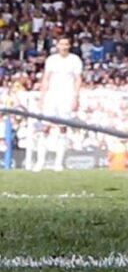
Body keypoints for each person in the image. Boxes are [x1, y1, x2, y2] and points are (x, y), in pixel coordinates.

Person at [34, 35, 83, 171]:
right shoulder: (51, 60)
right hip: (52, 95)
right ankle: (40, 162)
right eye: (61, 44)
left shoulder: (75, 60)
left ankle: (58, 163)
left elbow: (78, 79)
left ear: (69, 45)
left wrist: (75, 97)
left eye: (66, 44)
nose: (63, 47)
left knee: (63, 128)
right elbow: (46, 78)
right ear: (57, 45)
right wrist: (42, 96)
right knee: (45, 127)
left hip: (66, 96)